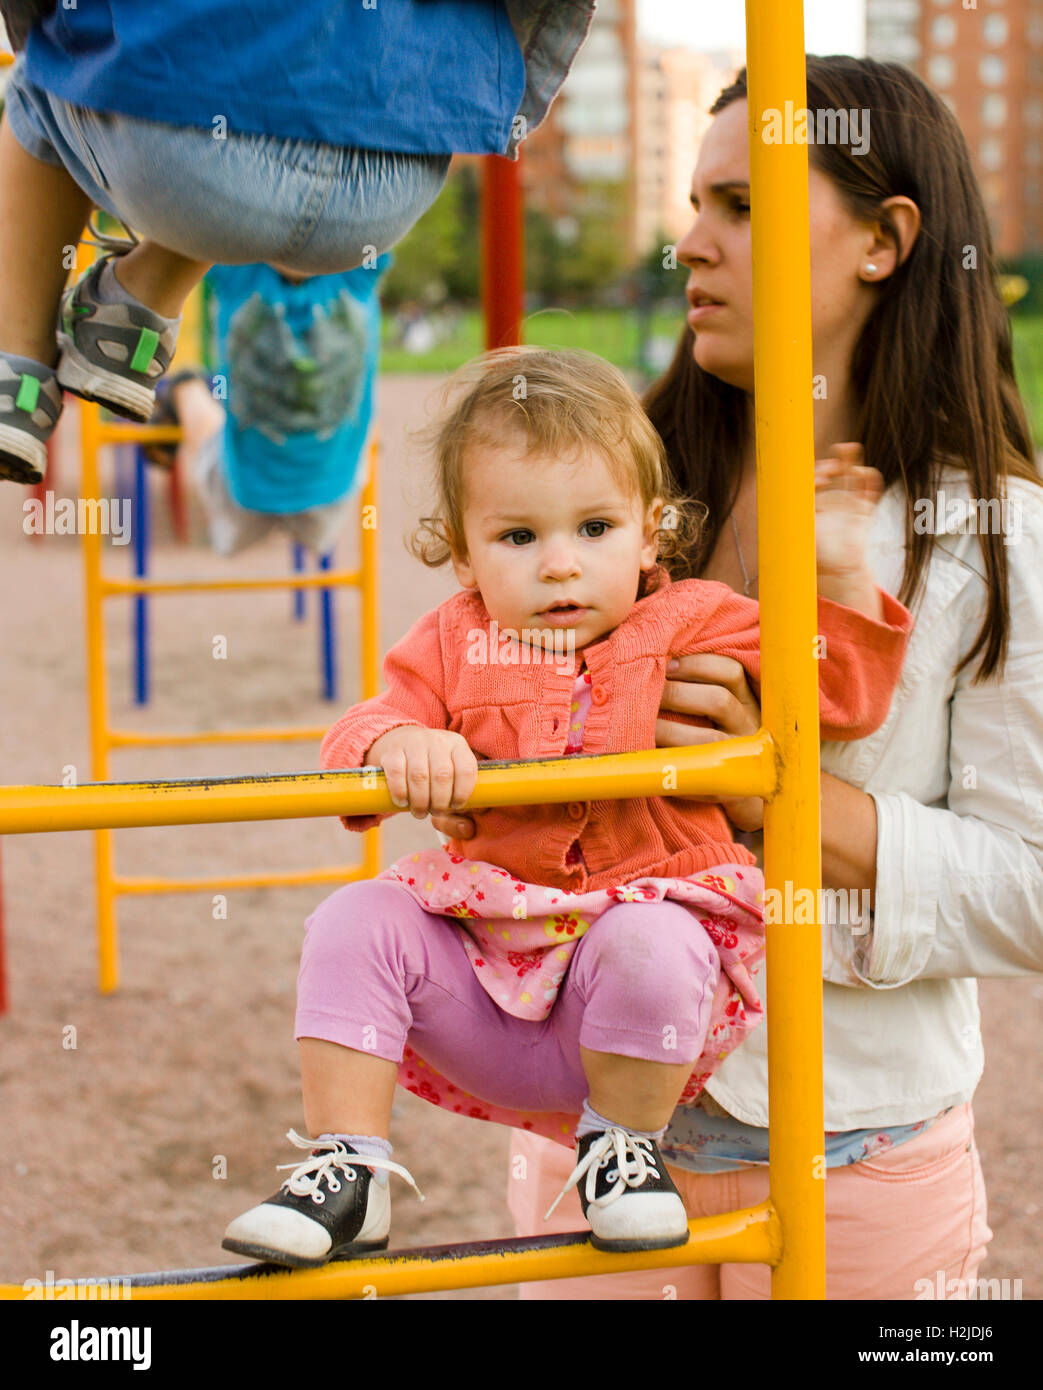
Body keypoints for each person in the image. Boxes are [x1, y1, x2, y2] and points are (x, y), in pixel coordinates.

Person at [476, 57, 1043, 1300]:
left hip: (859, 1152)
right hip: (601, 1140)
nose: (687, 243)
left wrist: (769, 798)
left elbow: (1032, 886)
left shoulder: (993, 532)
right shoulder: (608, 500)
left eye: (739, 206)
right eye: (692, 203)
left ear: (886, 241)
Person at [219, 344, 913, 1267]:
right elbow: (361, 727)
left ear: (650, 533)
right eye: (517, 538)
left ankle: (623, 1152)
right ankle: (350, 1166)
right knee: (356, 916)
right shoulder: (452, 640)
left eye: (594, 529)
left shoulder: (691, 617)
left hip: (636, 1008)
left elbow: (840, 694)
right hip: (488, 990)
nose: (559, 567)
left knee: (654, 933)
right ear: (461, 553)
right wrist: (399, 744)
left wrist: (835, 580)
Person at [0, 0, 595, 482]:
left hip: (193, 159)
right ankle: (136, 300)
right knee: (274, 93)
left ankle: (18, 386)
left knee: (40, 75)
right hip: (393, 180)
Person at [151, 255, 392, 557]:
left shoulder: (239, 269)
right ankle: (187, 388)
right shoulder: (353, 272)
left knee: (202, 414)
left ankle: (186, 387)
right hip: (266, 487)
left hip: (316, 488)